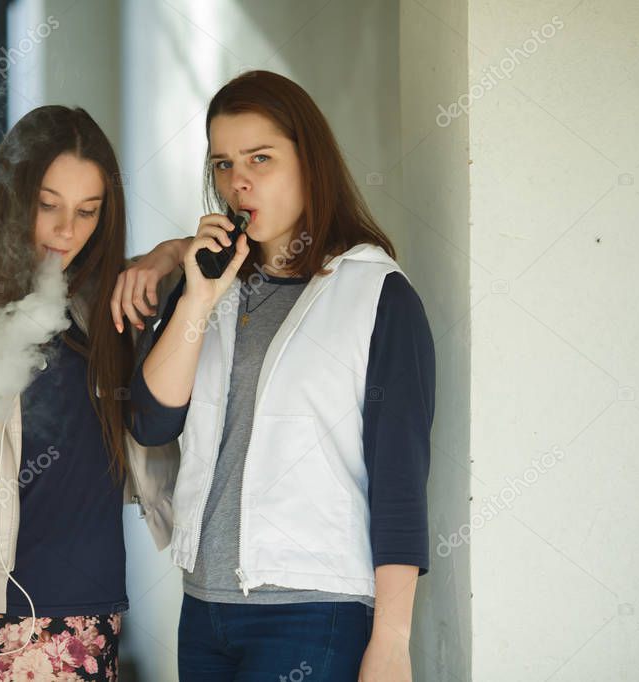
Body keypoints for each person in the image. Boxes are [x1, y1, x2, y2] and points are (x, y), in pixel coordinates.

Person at [124, 71, 437, 681]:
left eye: (260, 158)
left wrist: (392, 642)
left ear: (309, 162)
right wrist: (194, 299)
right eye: (221, 164)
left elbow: (399, 479)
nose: (237, 182)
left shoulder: (376, 294)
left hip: (314, 612)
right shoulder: (210, 286)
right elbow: (152, 420)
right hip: (204, 608)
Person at [0, 105, 183, 681]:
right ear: (12, 198)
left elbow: (202, 264)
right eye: (48, 205)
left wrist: (164, 254)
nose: (65, 230)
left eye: (87, 211)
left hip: (90, 623)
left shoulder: (107, 309)